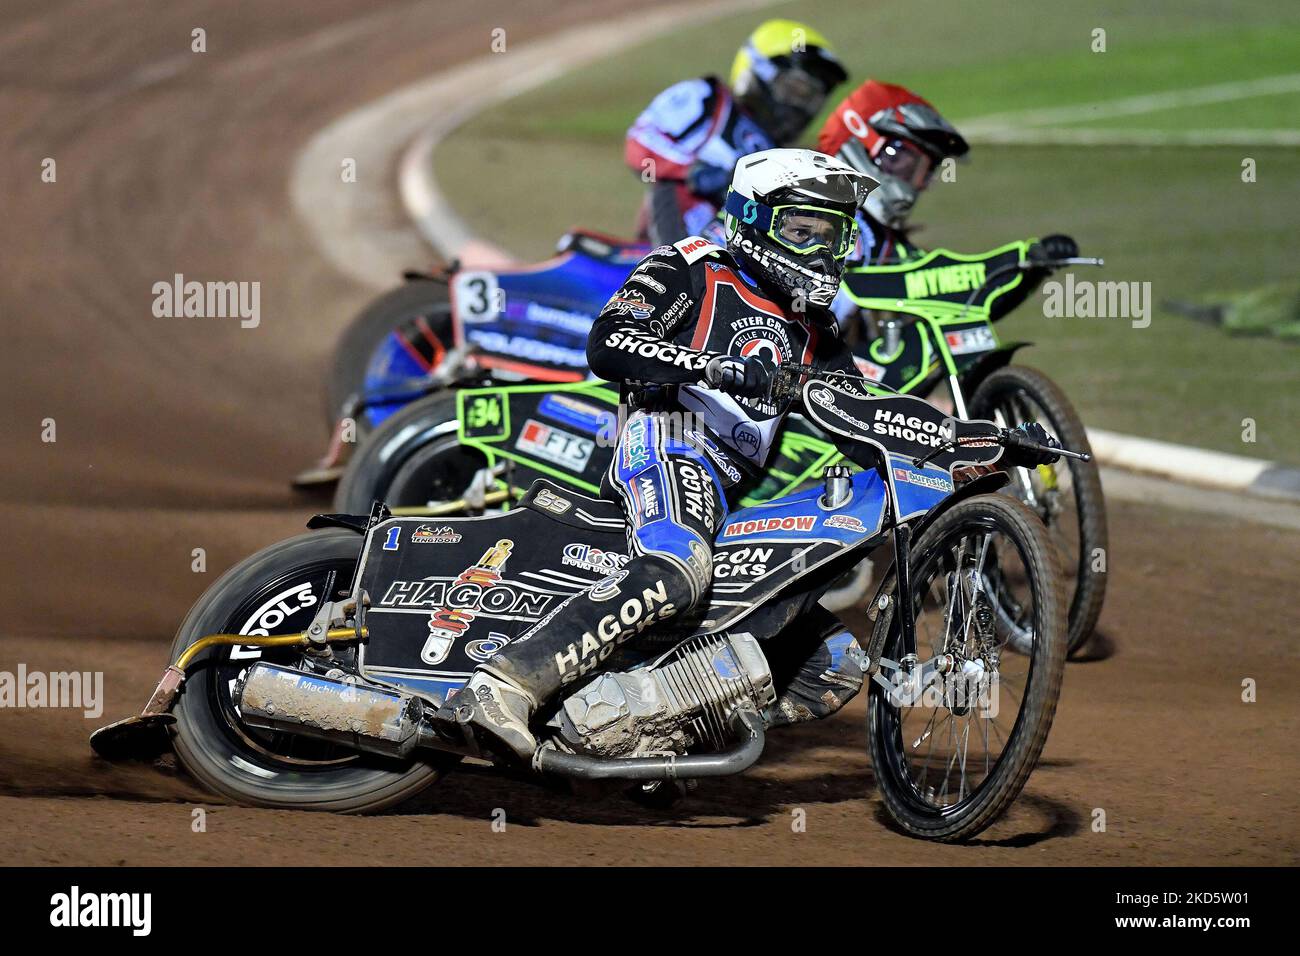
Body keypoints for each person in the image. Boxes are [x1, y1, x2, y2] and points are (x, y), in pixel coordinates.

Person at [447, 148, 1059, 762]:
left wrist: (971, 438)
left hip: (732, 492)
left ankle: (641, 730)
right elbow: (608, 345)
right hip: (668, 439)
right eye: (803, 231)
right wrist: (720, 369)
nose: (821, 250)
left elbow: (865, 415)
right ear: (751, 219)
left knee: (832, 663)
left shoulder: (814, 330)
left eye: (833, 233)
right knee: (677, 567)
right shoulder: (690, 267)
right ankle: (505, 684)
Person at [817, 79, 1078, 328]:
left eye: (928, 171)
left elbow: (955, 298)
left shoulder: (888, 245)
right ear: (871, 147)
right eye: (917, 166)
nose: (923, 184)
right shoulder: (806, 209)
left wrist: (1028, 268)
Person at [624, 19, 847, 246]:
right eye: (794, 89)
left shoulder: (779, 157)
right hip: (667, 241)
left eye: (811, 100)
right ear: (756, 69)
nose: (800, 108)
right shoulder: (706, 99)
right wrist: (696, 173)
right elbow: (640, 145)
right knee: (671, 187)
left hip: (727, 256)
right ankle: (673, 265)